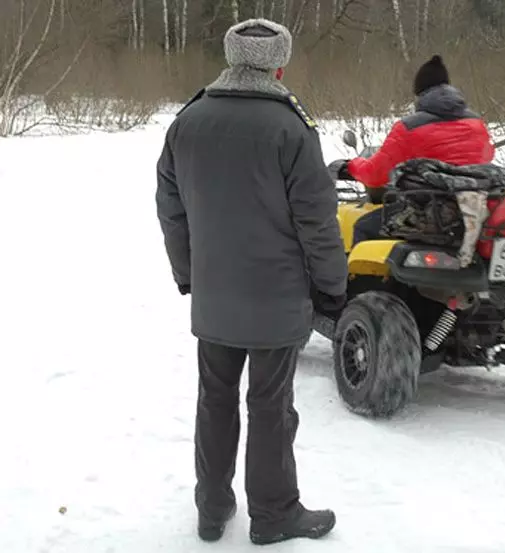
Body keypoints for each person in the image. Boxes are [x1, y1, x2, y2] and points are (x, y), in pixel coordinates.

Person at [155, 18, 347, 546]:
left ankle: (212, 509)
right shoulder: (293, 128)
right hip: (277, 298)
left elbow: (170, 209)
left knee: (214, 400)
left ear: (230, 59)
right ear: (278, 65)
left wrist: (189, 274)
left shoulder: (188, 121)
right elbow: (317, 218)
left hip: (215, 295)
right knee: (270, 407)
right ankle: (275, 513)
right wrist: (332, 286)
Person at [330, 55, 496, 246]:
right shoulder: (477, 124)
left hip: (430, 211)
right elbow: (487, 157)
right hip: (473, 210)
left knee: (364, 226)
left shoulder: (409, 127)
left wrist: (350, 166)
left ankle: (354, 277)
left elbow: (376, 174)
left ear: (419, 93)